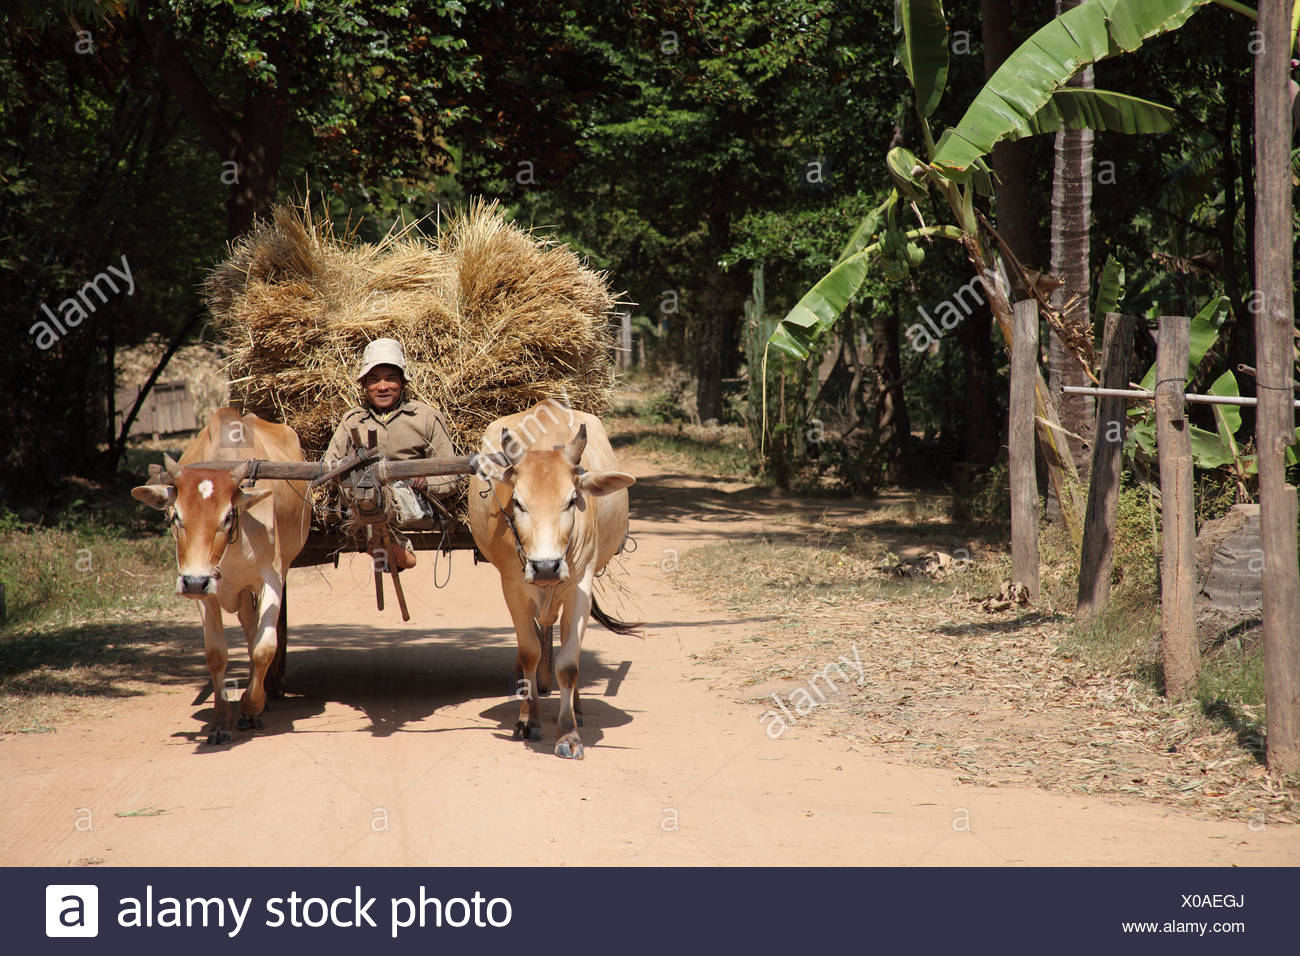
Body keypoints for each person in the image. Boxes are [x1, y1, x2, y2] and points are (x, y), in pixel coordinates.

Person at [324, 338, 458, 569]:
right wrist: (351, 474)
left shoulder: (426, 418)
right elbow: (328, 466)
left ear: (403, 383)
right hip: (358, 500)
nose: (382, 386)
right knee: (361, 492)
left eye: (391, 379)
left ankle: (382, 544)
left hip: (410, 503)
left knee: (392, 496)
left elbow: (451, 475)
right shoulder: (352, 420)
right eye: (374, 380)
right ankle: (392, 546)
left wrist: (426, 483)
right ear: (364, 385)